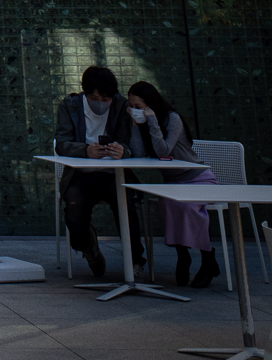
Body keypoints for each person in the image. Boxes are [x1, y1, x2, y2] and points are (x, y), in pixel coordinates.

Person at [54, 64, 145, 278]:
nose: (101, 104)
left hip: (113, 174)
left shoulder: (121, 105)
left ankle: (135, 261)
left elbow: (129, 143)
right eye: (95, 99)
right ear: (85, 93)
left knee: (126, 206)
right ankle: (87, 246)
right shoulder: (70, 105)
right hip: (80, 175)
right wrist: (86, 150)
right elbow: (62, 143)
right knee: (74, 212)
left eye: (106, 100)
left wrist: (122, 150)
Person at [127, 80, 219, 287]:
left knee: (186, 206)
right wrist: (135, 125)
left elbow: (163, 151)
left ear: (151, 105)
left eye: (138, 107)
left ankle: (207, 259)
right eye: (131, 106)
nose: (134, 110)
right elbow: (139, 154)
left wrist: (152, 122)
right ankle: (183, 255)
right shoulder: (143, 125)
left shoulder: (172, 119)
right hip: (173, 182)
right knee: (167, 204)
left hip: (198, 179)